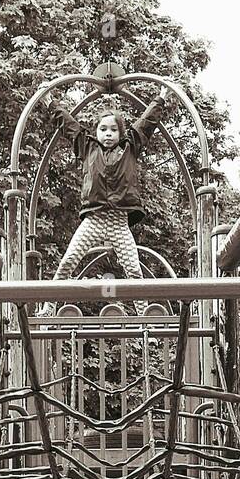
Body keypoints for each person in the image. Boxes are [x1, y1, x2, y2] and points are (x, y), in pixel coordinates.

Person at [36, 84, 168, 315]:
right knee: (68, 261)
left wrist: (161, 97)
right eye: (103, 129)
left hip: (119, 223)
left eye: (113, 130)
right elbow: (68, 124)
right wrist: (50, 102)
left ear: (121, 133)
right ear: (96, 132)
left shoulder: (129, 147)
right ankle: (49, 305)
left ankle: (144, 315)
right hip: (94, 221)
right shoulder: (87, 147)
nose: (108, 134)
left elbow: (146, 123)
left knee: (134, 270)